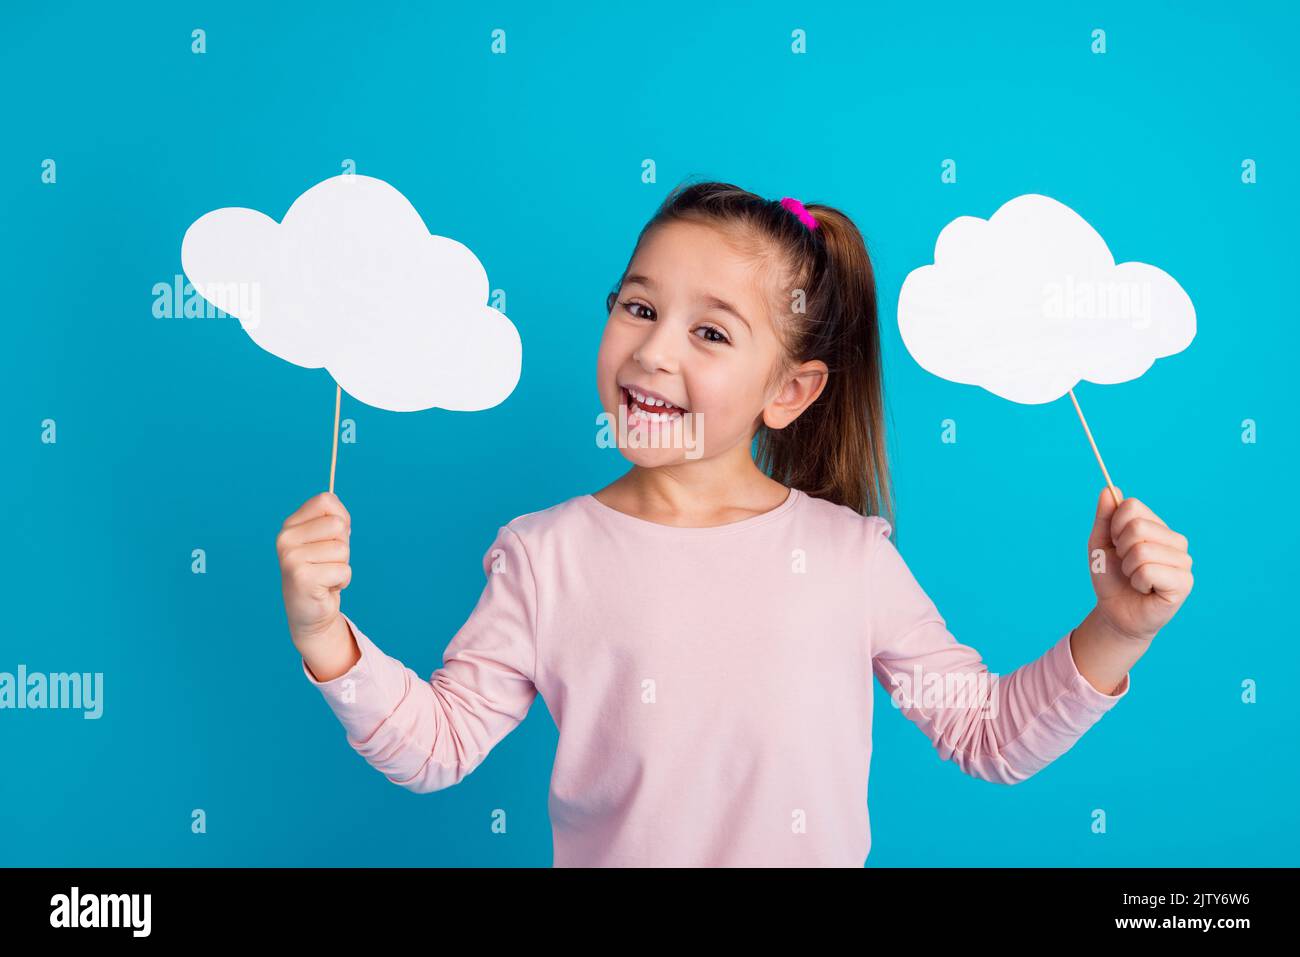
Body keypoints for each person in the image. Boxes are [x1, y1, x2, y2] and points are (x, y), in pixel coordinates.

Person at [275, 182, 1193, 867]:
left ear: (789, 391)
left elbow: (988, 735)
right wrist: (327, 635)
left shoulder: (848, 557)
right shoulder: (542, 555)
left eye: (711, 333)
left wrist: (1118, 627)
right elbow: (437, 747)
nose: (654, 349)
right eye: (639, 307)